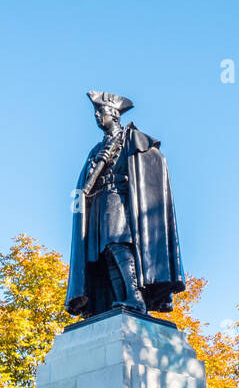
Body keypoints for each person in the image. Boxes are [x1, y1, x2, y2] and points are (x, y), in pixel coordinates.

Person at [66, 91, 186, 317]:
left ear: (113, 114)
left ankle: (135, 297)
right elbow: (85, 183)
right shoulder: (96, 149)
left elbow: (150, 163)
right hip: (99, 201)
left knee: (117, 243)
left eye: (100, 112)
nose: (97, 117)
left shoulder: (132, 139)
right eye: (95, 114)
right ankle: (122, 298)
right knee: (106, 252)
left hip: (119, 196)